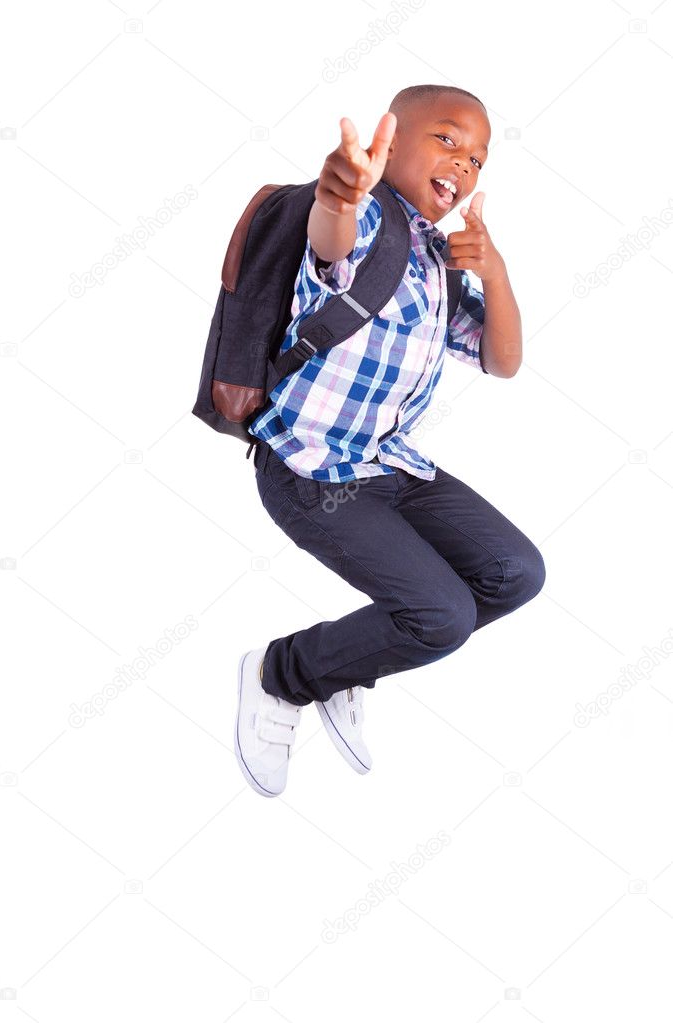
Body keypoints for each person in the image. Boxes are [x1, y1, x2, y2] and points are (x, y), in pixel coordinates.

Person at [233, 83, 546, 798]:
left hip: (389, 464)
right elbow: (331, 236)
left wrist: (493, 272)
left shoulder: (439, 259)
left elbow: (504, 361)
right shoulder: (370, 222)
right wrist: (340, 193)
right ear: (394, 142)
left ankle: (347, 661)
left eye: (477, 158)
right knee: (441, 616)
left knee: (515, 572)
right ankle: (281, 673)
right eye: (447, 140)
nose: (464, 166)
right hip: (312, 472)